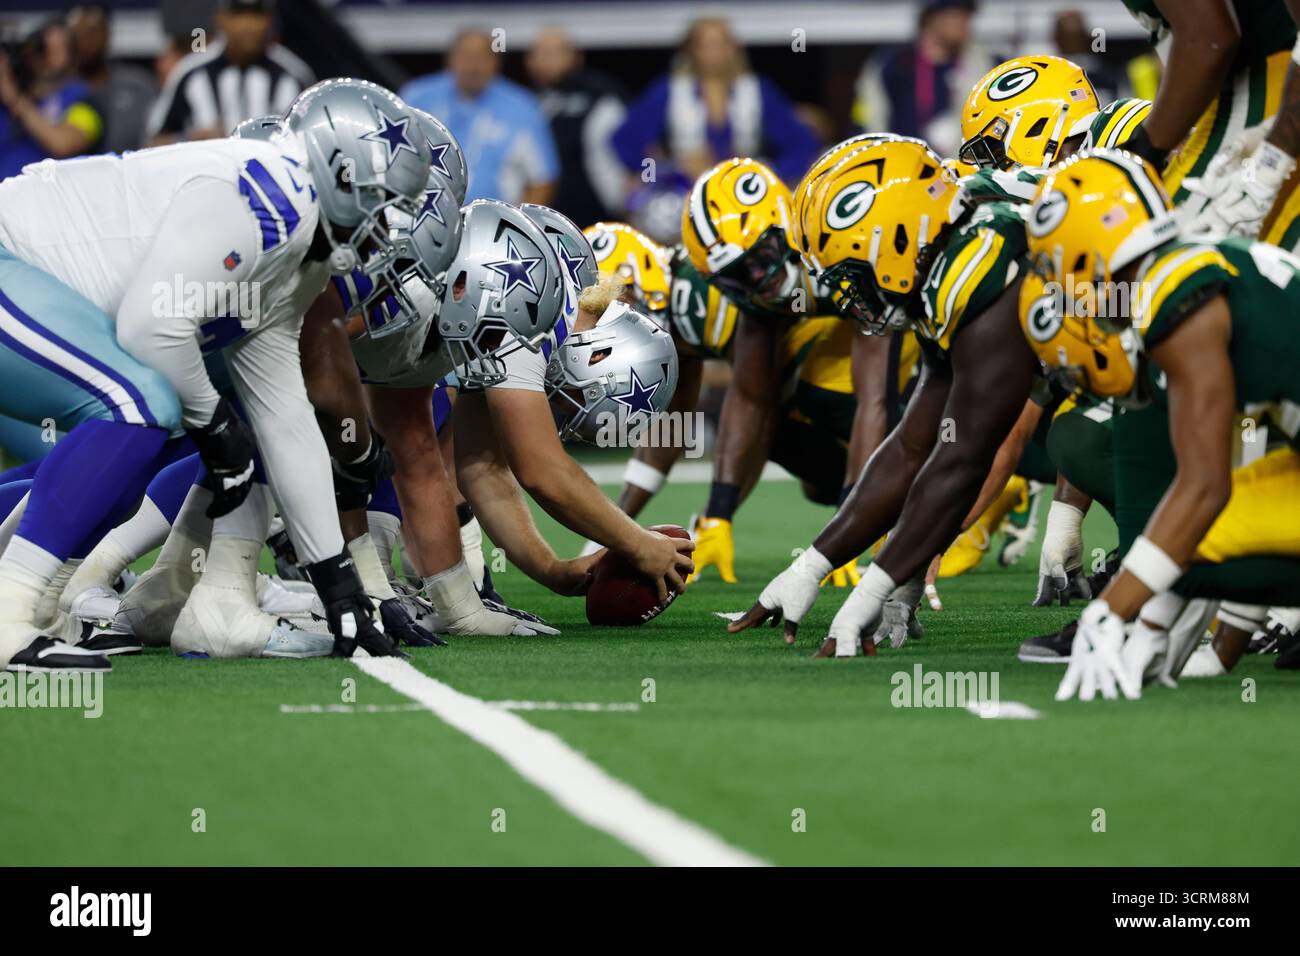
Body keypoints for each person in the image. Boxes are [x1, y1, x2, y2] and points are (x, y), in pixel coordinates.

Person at [0, 78, 428, 671]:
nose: (388, 228)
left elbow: (285, 417)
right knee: (142, 405)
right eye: (385, 203)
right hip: (10, 256)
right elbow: (149, 329)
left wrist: (340, 588)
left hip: (38, 285)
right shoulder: (270, 194)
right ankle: (9, 612)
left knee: (176, 415)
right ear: (341, 174)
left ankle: (38, 598)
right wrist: (216, 426)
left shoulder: (300, 245)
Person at [728, 139, 1040, 656]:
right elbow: (913, 447)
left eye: (851, 274)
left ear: (893, 237)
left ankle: (1159, 600)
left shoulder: (984, 259)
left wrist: (873, 587)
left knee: (1086, 440)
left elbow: (962, 460)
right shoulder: (947, 252)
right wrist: (812, 566)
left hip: (1181, 342)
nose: (851, 296)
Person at [1021, 148, 1300, 699]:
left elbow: (1205, 491)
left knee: (1186, 530)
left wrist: (1112, 611)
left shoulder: (1175, 296)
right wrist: (1155, 630)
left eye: (1054, 262)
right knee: (1183, 531)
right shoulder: (1195, 264)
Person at [611, 16, 818, 188]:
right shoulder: (669, 91)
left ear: (733, 48)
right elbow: (625, 140)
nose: (713, 52)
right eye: (705, 44)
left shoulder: (756, 91)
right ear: (691, 50)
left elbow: (801, 143)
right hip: (684, 191)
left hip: (743, 190)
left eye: (721, 44)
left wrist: (766, 172)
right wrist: (664, 169)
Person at [401, 28, 559, 206]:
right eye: (466, 56)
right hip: (424, 215)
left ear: (496, 62)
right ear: (450, 60)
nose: (473, 66)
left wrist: (521, 226)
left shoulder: (523, 107)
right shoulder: (416, 97)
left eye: (481, 58)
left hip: (493, 224)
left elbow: (543, 178)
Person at [145, 0, 314, 144]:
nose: (247, 25)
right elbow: (153, 143)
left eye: (256, 14)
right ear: (221, 18)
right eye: (238, 14)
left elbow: (317, 138)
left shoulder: (294, 75)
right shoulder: (190, 73)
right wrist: (190, 139)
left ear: (270, 19)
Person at [852, 0, 993, 159]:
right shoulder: (894, 64)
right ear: (930, 18)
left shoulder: (984, 63)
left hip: (962, 173)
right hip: (902, 170)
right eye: (954, 16)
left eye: (967, 16)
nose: (964, 24)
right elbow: (867, 119)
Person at [526, 26, 627, 225]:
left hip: (593, 219)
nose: (545, 60)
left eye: (554, 53)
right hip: (542, 222)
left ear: (576, 57)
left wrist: (622, 208)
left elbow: (616, 165)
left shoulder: (601, 97)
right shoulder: (525, 102)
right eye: (539, 53)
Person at [0, 18, 103, 180]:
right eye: (42, 46)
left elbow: (63, 144)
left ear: (73, 55)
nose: (47, 54)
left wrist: (14, 99)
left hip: (48, 199)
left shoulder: (85, 100)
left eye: (58, 48)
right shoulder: (13, 97)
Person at [68, 5, 157, 153]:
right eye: (78, 35)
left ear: (107, 33)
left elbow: (156, 135)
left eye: (92, 33)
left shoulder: (138, 85)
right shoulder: (60, 90)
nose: (85, 42)